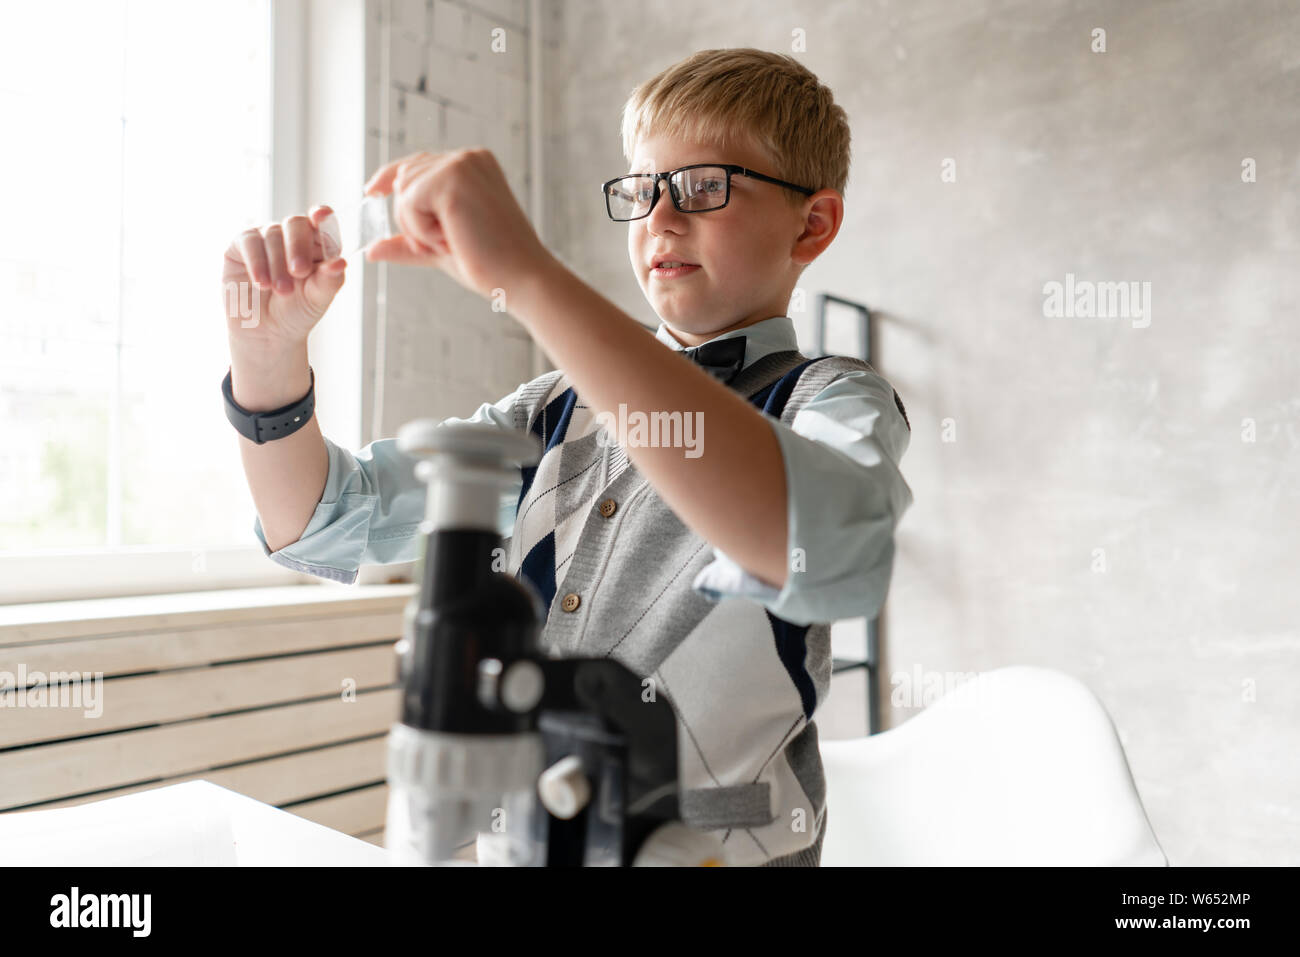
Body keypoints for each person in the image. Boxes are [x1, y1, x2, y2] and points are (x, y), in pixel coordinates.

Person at [220, 48, 913, 866]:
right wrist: (266, 360)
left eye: (702, 187)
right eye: (642, 190)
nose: (660, 217)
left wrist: (526, 272)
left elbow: (826, 546)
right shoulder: (551, 408)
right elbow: (323, 521)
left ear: (813, 222)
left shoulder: (831, 397)